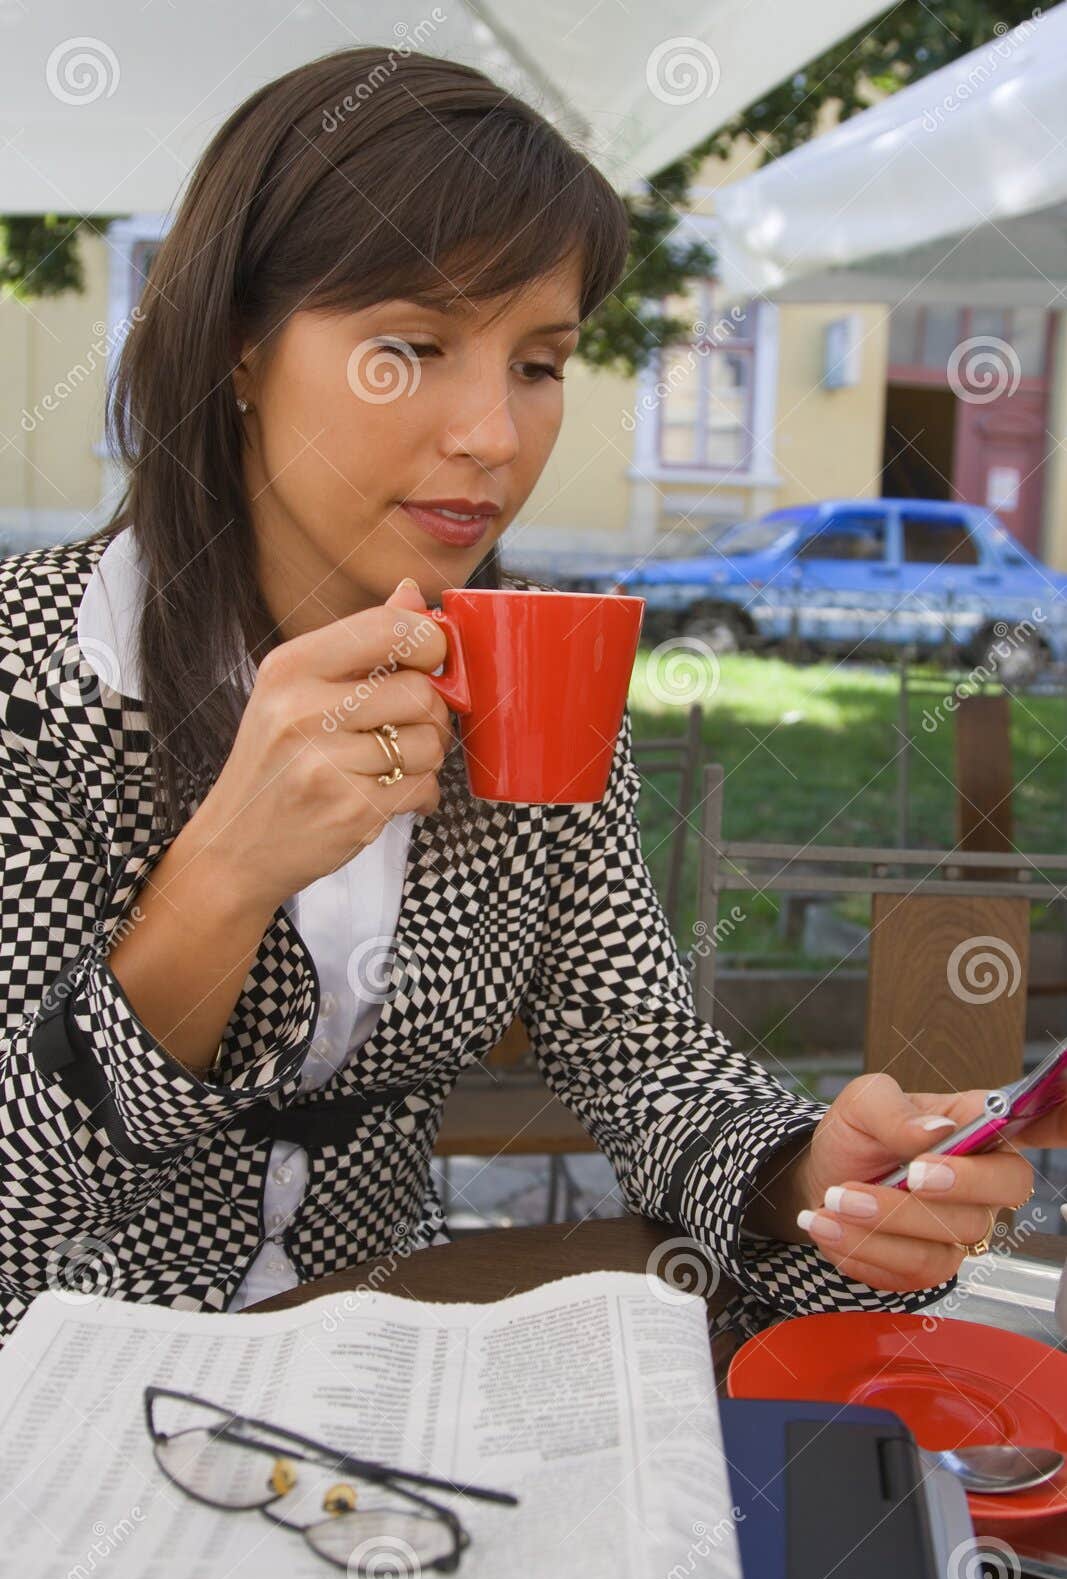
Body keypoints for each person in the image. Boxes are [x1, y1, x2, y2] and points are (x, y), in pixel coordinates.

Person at [0, 47, 1051, 1344]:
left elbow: (649, 1064)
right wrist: (219, 875)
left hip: (386, 1411)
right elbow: (21, 1202)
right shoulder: (33, 670)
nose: (494, 435)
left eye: (540, 362)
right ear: (238, 347)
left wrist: (813, 1182)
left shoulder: (525, 668)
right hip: (62, 1419)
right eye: (413, 346)